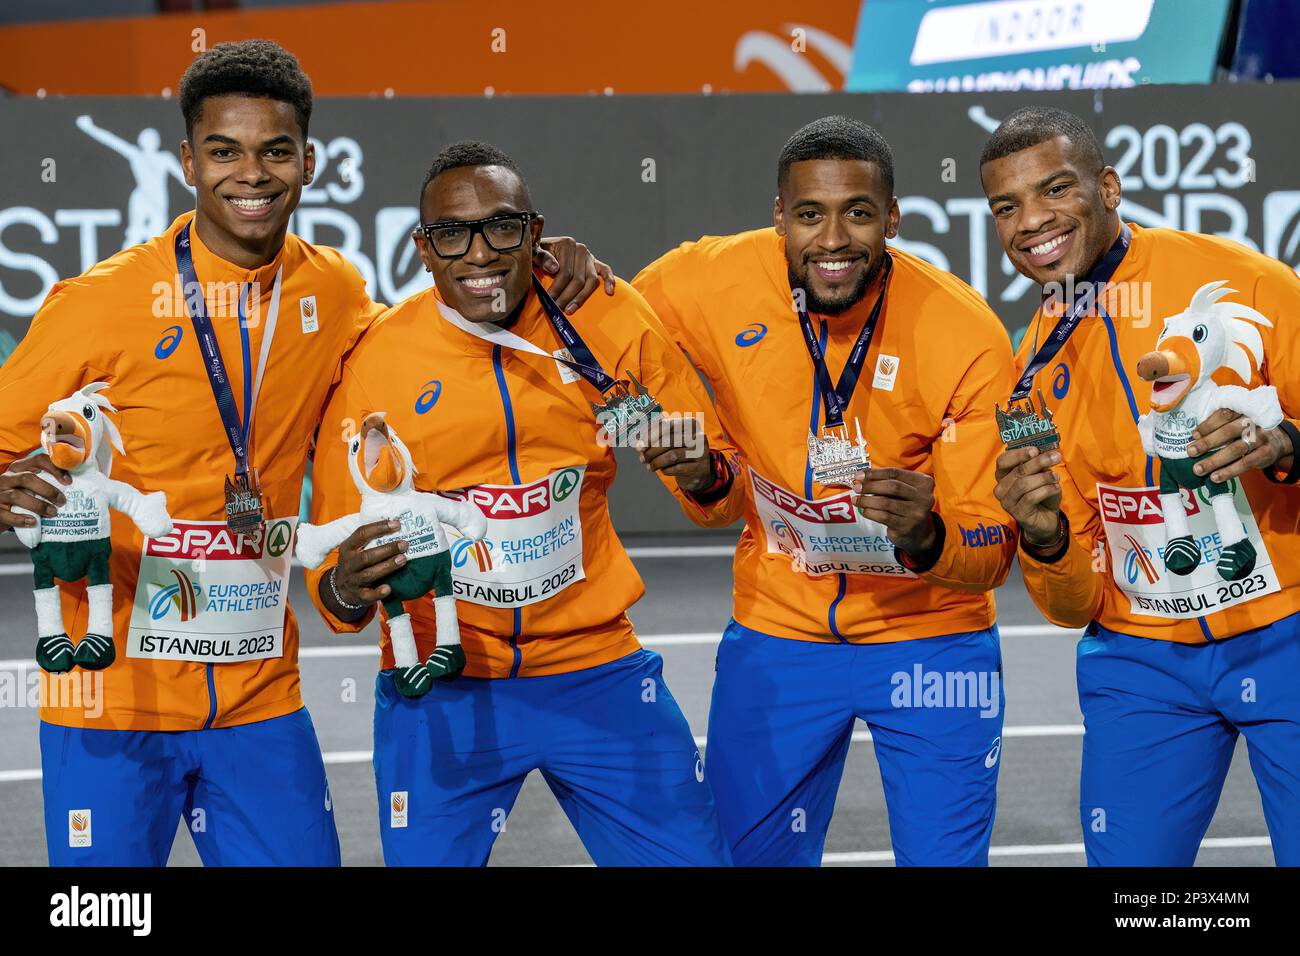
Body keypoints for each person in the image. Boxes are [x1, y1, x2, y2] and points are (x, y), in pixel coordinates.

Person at [0, 40, 610, 867]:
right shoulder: (99, 305)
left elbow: (440, 342)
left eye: (274, 151)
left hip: (259, 698)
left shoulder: (337, 291)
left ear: (308, 161)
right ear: (187, 161)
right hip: (107, 699)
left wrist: (545, 270)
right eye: (224, 152)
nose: (251, 175)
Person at [304, 140, 746, 866]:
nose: (480, 253)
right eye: (453, 233)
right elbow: (333, 594)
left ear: (536, 233)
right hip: (442, 685)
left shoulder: (601, 319)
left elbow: (717, 496)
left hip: (595, 670)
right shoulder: (376, 361)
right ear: (422, 248)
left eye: (502, 226)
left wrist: (701, 473)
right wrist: (347, 587)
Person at [632, 115, 1017, 866]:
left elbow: (994, 549)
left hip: (931, 642)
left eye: (859, 214)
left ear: (894, 218)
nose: (833, 239)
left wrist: (931, 533)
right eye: (810, 214)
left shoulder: (965, 333)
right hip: (779, 637)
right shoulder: (707, 280)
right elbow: (608, 326)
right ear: (778, 216)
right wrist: (705, 465)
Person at [982, 106, 1300, 866]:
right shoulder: (1029, 374)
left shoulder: (1244, 283)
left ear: (1110, 187)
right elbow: (1070, 607)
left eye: (1054, 190)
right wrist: (1047, 537)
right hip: (1141, 666)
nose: (1032, 221)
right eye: (1007, 206)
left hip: (1288, 636)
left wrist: (1284, 445)